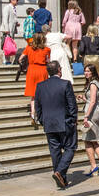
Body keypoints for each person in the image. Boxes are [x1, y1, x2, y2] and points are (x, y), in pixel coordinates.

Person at [33, 60, 78, 188]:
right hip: (64, 122)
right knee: (70, 147)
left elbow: (38, 106)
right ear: (59, 70)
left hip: (49, 123)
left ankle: (61, 178)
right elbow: (72, 105)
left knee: (55, 151)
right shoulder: (65, 84)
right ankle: (60, 171)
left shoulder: (40, 86)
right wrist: (73, 119)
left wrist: (42, 120)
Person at [80, 63, 99, 177]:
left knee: (87, 140)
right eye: (85, 71)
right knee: (94, 140)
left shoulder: (93, 84)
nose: (86, 73)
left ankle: (94, 166)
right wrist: (83, 98)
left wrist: (86, 116)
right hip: (96, 111)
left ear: (93, 72)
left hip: (92, 113)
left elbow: (92, 101)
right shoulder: (96, 83)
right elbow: (92, 100)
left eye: (88, 71)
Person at [23, 32, 52, 124]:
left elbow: (20, 58)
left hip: (32, 70)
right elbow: (48, 61)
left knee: (33, 94)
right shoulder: (47, 49)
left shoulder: (28, 48)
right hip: (42, 70)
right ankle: (42, 113)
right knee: (42, 93)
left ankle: (33, 113)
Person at [0, 0, 21, 65]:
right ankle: (5, 60)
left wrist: (16, 23)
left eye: (17, 0)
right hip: (7, 30)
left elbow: (13, 19)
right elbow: (5, 19)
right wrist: (6, 29)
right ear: (11, 0)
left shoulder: (13, 8)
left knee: (9, 45)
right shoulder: (7, 7)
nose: (17, 2)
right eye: (16, 0)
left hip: (12, 30)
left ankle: (8, 60)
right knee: (6, 45)